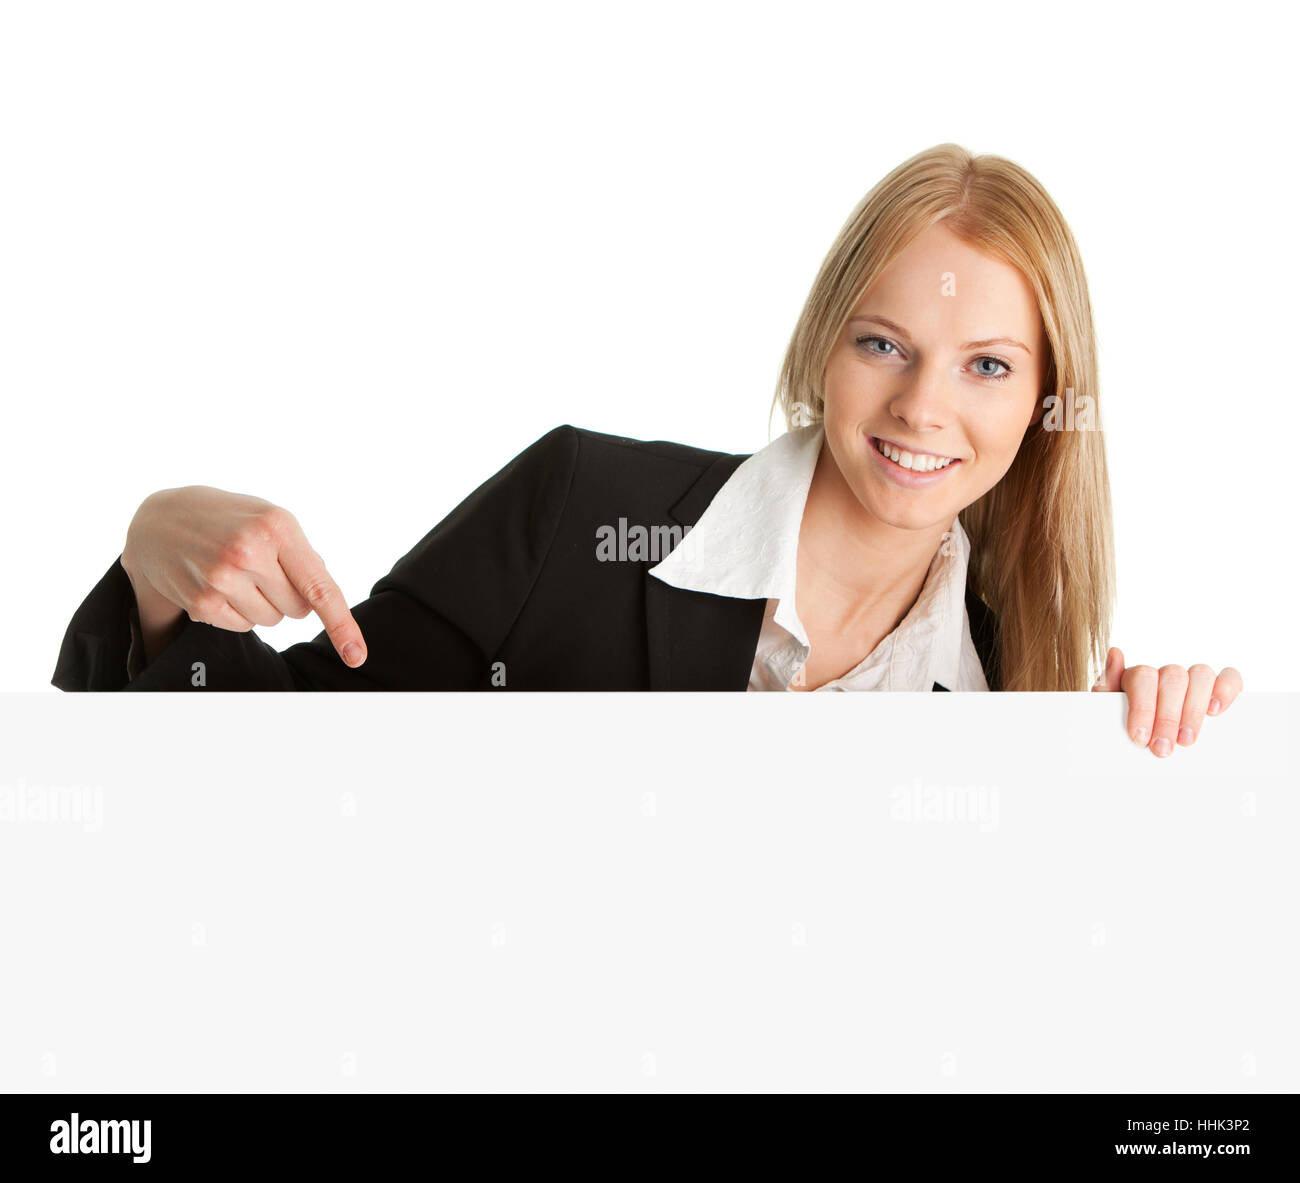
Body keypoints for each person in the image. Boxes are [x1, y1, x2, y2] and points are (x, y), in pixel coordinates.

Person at [51, 143, 1242, 757]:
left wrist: (1135, 769)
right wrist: (160, 582)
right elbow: (277, 774)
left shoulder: (1013, 685)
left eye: (988, 365)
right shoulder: (581, 508)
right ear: (826, 345)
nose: (925, 408)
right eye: (885, 343)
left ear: (1045, 403)